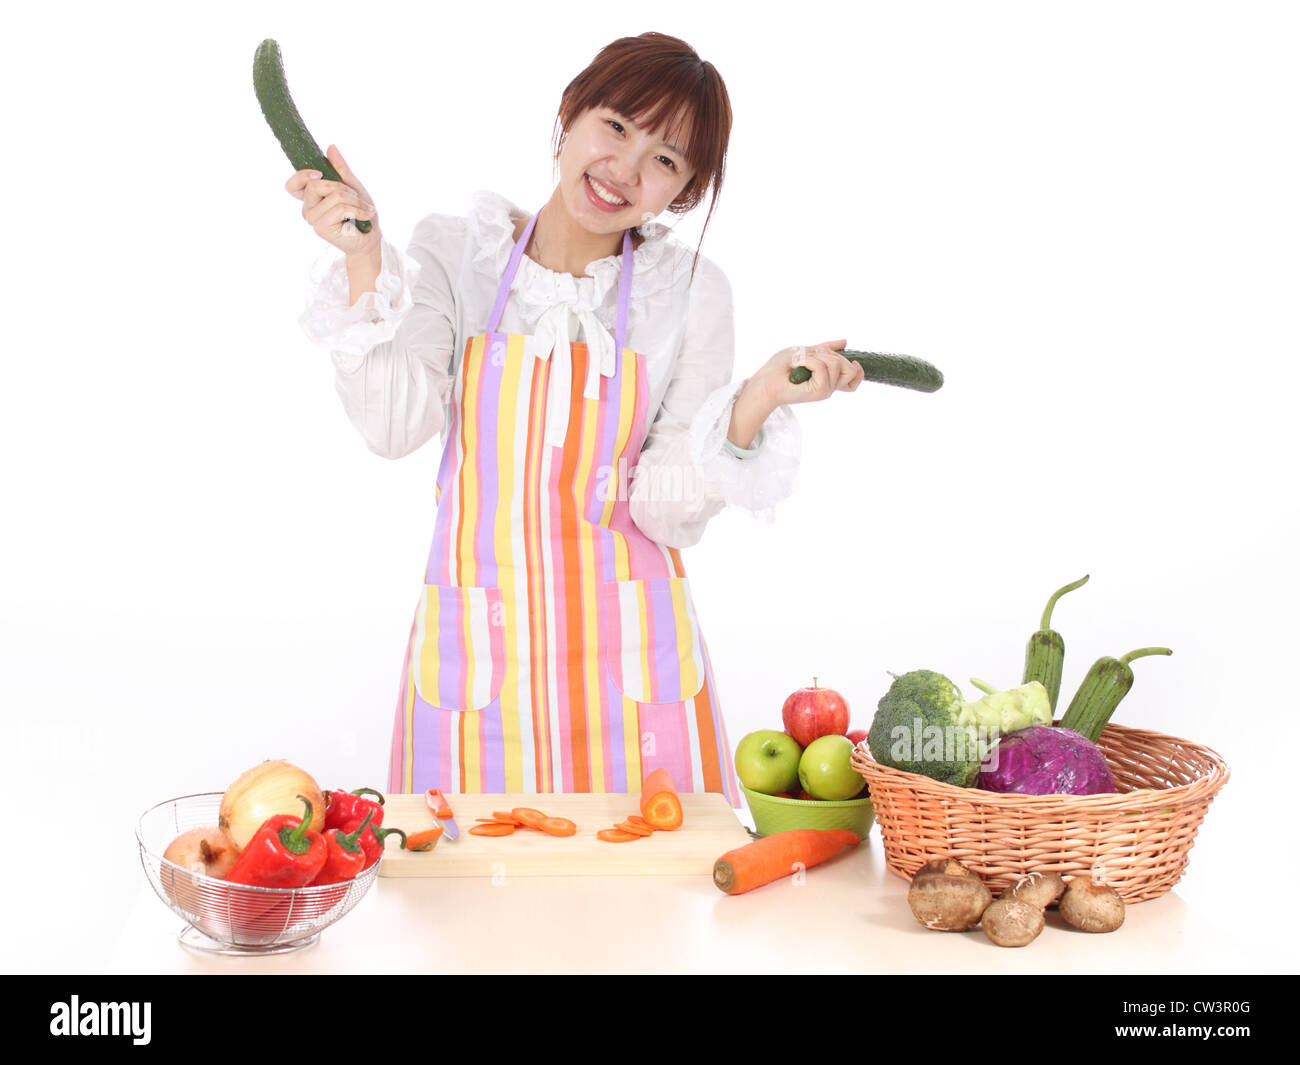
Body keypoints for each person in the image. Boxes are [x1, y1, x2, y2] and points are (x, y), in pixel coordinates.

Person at [287, 32, 864, 802]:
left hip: (631, 678)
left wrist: (752, 401)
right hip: (477, 667)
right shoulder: (458, 253)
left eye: (665, 160)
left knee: (648, 905)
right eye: (616, 127)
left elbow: (662, 509)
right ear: (570, 114)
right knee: (460, 908)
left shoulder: (692, 291)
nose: (624, 169)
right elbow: (395, 427)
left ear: (683, 193)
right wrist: (364, 262)